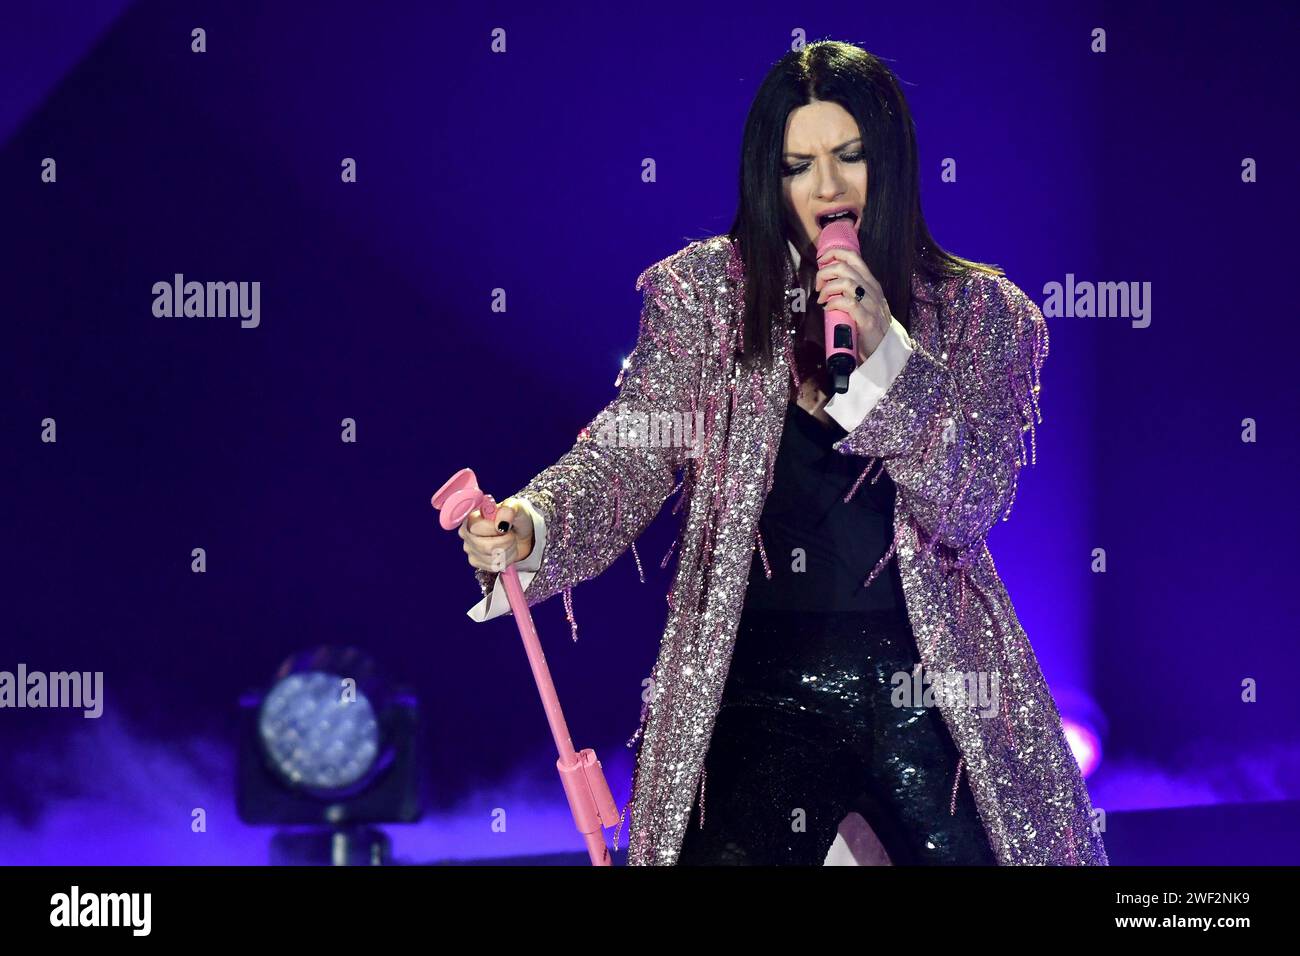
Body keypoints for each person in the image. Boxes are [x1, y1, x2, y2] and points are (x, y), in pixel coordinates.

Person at [456, 40, 1108, 866]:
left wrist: (887, 357)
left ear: (894, 160)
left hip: (931, 684)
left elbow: (970, 497)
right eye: (800, 165)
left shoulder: (981, 314)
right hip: (760, 682)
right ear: (770, 178)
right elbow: (630, 451)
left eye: (850, 157)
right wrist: (531, 521)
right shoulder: (707, 299)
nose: (828, 188)